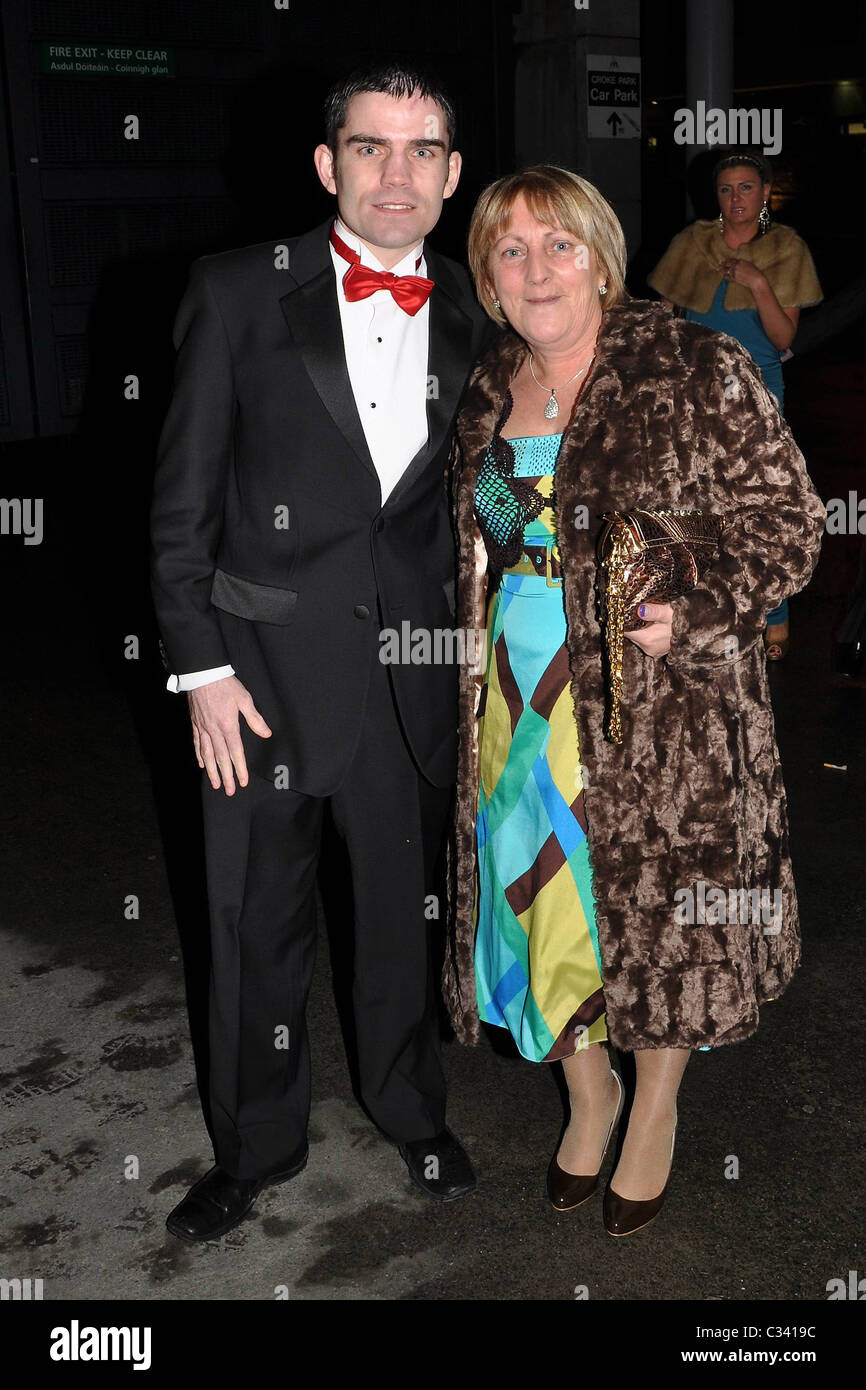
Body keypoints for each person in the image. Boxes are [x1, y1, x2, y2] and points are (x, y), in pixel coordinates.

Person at [442, 165, 825, 1237]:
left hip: (662, 710)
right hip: (517, 704)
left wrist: (695, 607)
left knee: (655, 918)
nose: (536, 269)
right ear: (487, 276)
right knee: (540, 911)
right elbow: (478, 535)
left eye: (557, 244)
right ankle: (588, 1090)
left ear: (601, 257)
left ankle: (652, 1097)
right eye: (509, 251)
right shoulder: (485, 386)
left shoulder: (688, 363)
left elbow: (787, 522)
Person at [150, 62, 492, 1243]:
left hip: (409, 677)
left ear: (451, 175)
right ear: (324, 163)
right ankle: (252, 1147)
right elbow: (181, 501)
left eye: (421, 152)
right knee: (255, 923)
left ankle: (411, 1110)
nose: (395, 174)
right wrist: (198, 668)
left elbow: (488, 496)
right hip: (256, 683)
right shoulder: (240, 289)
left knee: (401, 915)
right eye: (369, 148)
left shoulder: (473, 303)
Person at [648, 149, 823, 660]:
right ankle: (701, 607)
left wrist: (758, 283)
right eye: (726, 189)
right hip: (693, 392)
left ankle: (775, 614)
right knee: (697, 500)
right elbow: (667, 319)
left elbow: (784, 335)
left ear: (765, 192)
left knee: (760, 504)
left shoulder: (786, 248)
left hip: (758, 392)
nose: (736, 198)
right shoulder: (692, 244)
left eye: (746, 188)